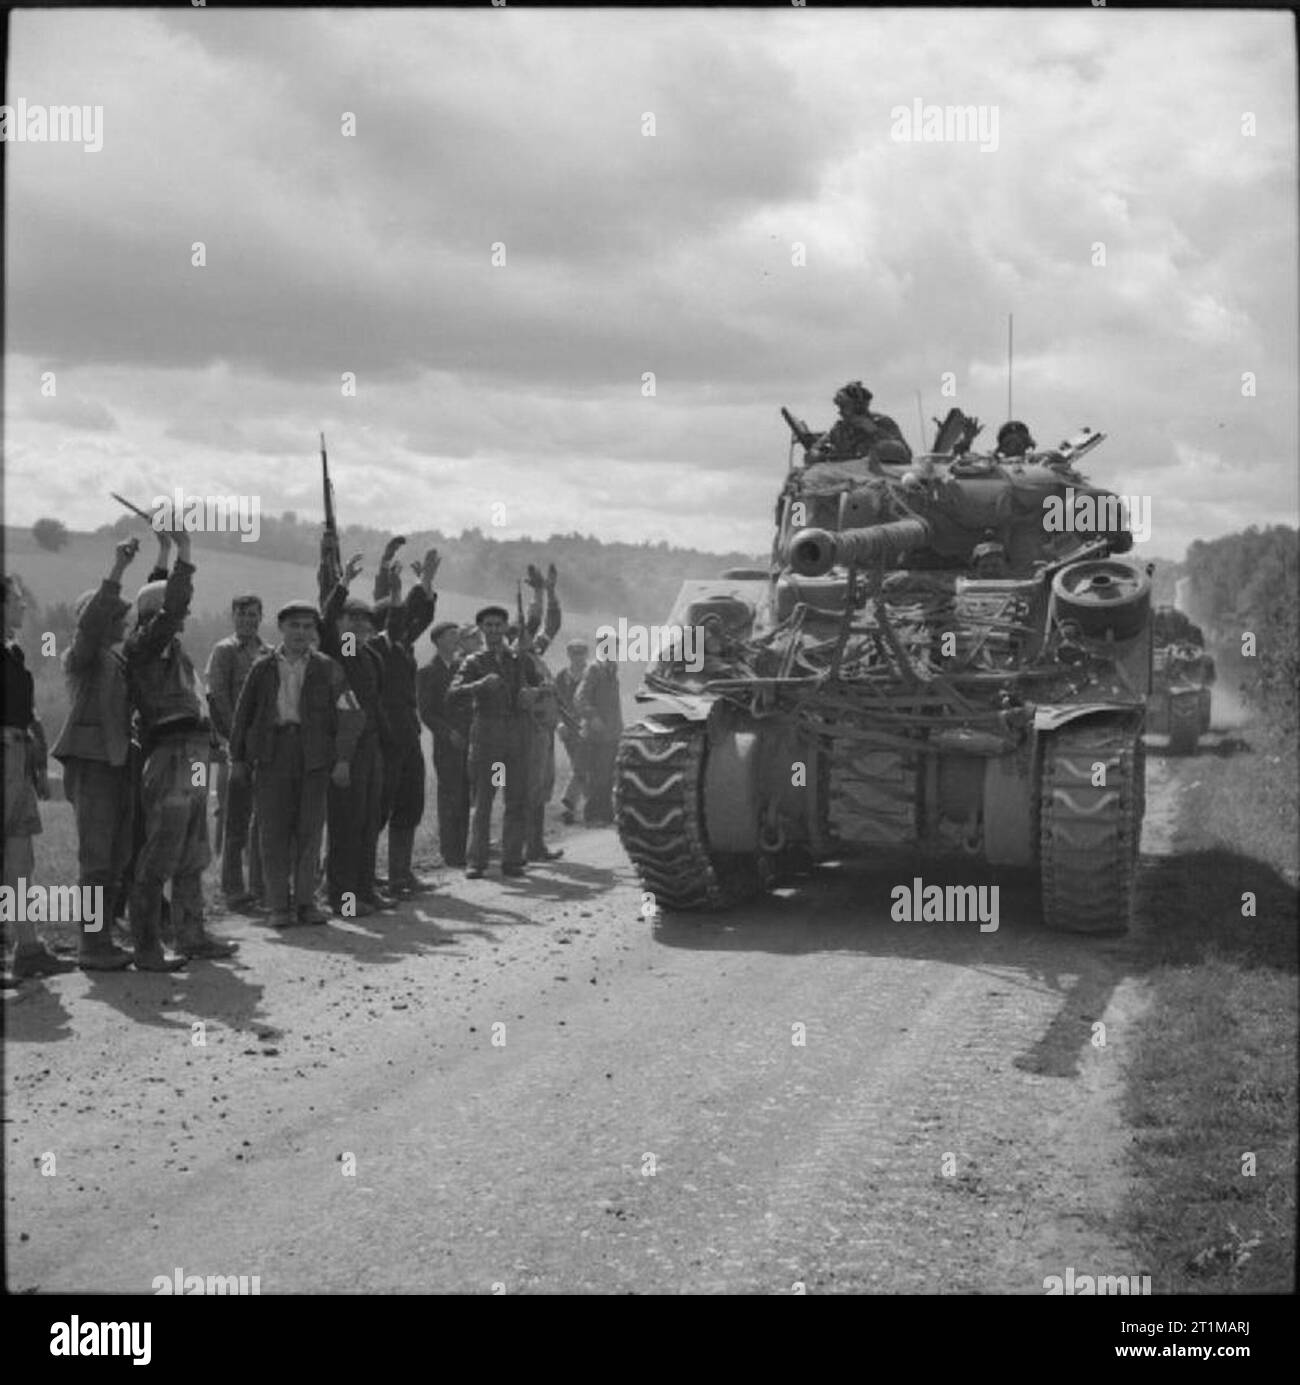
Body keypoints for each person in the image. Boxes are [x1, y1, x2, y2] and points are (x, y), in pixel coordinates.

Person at [123, 528, 237, 968]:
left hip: (192, 753)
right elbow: (169, 606)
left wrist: (212, 745)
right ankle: (148, 947)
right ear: (155, 616)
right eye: (174, 613)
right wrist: (184, 556)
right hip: (169, 755)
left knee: (193, 849)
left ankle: (192, 935)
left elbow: (162, 602)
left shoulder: (170, 651)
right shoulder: (144, 648)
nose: (183, 619)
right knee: (161, 853)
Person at [229, 600, 364, 928]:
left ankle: (305, 902)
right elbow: (243, 715)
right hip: (272, 756)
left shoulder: (328, 667)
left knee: (309, 832)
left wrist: (342, 758)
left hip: (314, 758)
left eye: (307, 627)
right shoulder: (262, 668)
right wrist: (238, 759)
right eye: (294, 626)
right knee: (272, 832)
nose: (301, 633)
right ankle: (278, 905)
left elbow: (352, 713)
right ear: (281, 629)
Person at [49, 537, 143, 971]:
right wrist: (118, 569)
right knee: (97, 858)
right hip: (92, 765)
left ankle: (103, 934)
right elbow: (89, 626)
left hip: (119, 764)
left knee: (118, 855)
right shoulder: (81, 656)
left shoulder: (116, 659)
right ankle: (91, 944)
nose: (124, 621)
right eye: (117, 615)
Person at [2, 574, 76, 983]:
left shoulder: (13, 654)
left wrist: (34, 764)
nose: (23, 606)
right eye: (15, 599)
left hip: (17, 757)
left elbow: (25, 712)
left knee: (19, 860)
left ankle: (27, 948)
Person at [318, 551, 391, 917]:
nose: (360, 625)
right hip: (344, 749)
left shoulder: (371, 658)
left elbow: (376, 706)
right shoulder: (340, 651)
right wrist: (342, 584)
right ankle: (342, 898)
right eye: (353, 618)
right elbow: (325, 621)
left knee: (367, 822)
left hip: (371, 748)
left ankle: (364, 890)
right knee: (345, 825)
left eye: (365, 620)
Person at [451, 604, 542, 878]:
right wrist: (480, 685)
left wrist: (532, 694)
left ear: (505, 628)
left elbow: (543, 687)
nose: (493, 630)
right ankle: (476, 861)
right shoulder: (474, 662)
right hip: (488, 739)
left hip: (516, 738)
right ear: (481, 629)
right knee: (484, 802)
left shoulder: (520, 660)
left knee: (516, 800)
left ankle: (512, 859)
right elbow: (453, 693)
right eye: (488, 625)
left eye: (498, 625)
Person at [371, 539, 440, 896]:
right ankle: (363, 877)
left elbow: (421, 615)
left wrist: (425, 581)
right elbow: (397, 612)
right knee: (376, 809)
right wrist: (388, 569)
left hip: (407, 734)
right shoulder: (372, 647)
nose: (405, 624)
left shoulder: (402, 644)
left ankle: (400, 875)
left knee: (410, 803)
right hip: (382, 738)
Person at [205, 593, 270, 911]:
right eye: (242, 614)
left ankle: (260, 886)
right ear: (233, 616)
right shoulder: (224, 651)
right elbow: (217, 697)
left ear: (261, 617)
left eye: (253, 614)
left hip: (264, 749)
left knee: (262, 819)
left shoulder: (268, 653)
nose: (248, 620)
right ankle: (232, 889)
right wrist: (234, 740)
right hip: (235, 748)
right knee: (235, 820)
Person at [417, 620, 472, 869]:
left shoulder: (464, 667)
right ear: (438, 640)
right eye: (451, 635)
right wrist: (448, 733)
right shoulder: (428, 671)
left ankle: (462, 849)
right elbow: (427, 712)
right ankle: (450, 852)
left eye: (457, 634)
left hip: (469, 740)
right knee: (450, 795)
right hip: (447, 743)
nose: (456, 638)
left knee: (465, 794)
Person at [810, 381, 912, 465]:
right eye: (840, 407)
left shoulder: (882, 423)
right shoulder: (839, 430)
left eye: (845, 407)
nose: (840, 412)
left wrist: (875, 432)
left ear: (858, 407)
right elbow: (817, 452)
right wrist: (818, 453)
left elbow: (906, 455)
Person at [576, 653, 623, 825]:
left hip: (611, 733)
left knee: (609, 776)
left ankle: (607, 815)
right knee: (597, 777)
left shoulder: (612, 669)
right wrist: (592, 716)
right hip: (596, 735)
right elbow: (580, 698)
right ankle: (593, 816)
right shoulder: (594, 669)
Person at [554, 638, 589, 825]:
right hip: (568, 729)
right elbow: (555, 704)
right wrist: (559, 724)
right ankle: (587, 805)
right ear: (568, 654)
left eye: (581, 652)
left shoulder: (593, 673)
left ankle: (569, 803)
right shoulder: (561, 677)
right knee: (581, 766)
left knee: (582, 765)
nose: (578, 656)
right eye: (574, 652)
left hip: (588, 728)